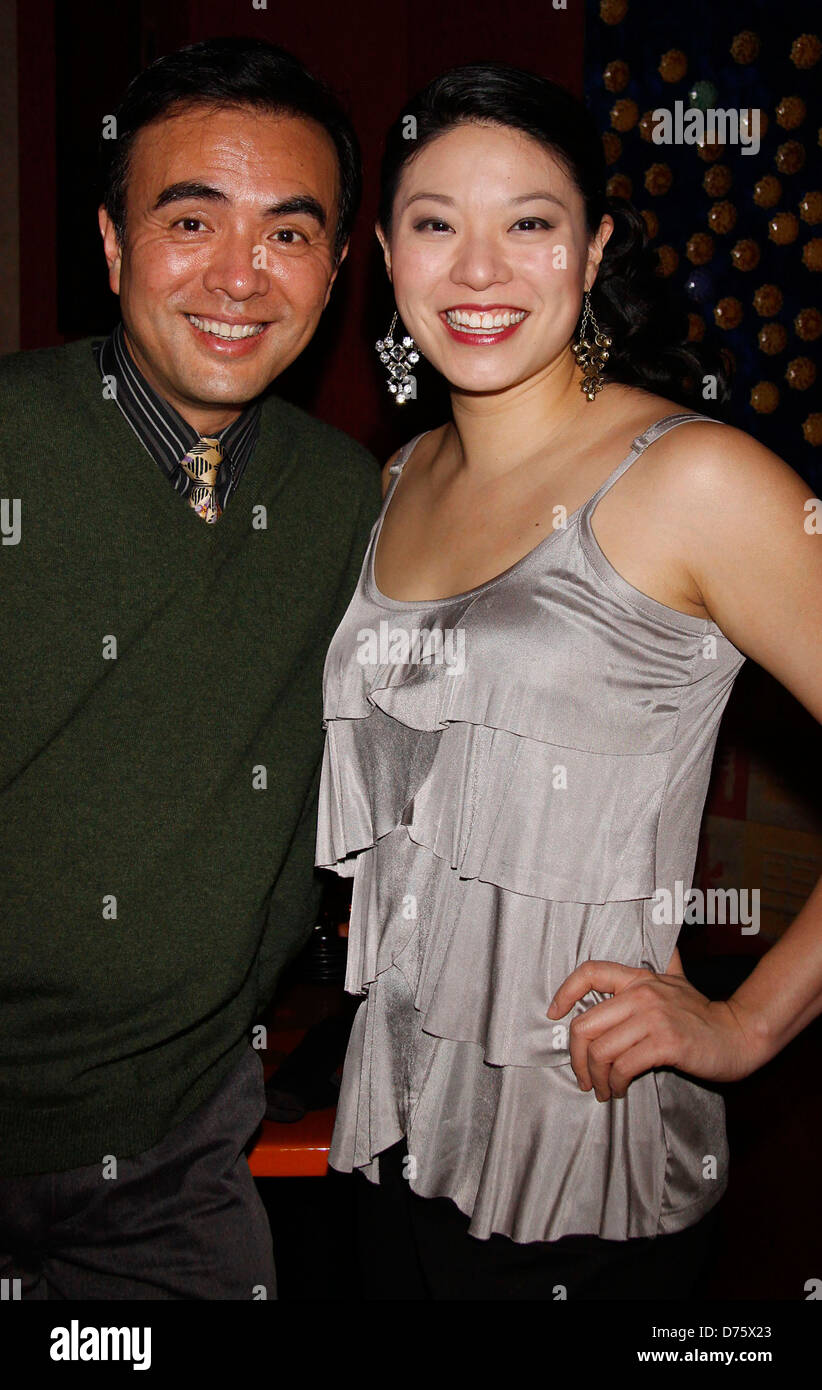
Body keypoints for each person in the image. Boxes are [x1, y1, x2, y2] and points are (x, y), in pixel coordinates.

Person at [315, 63, 822, 1300]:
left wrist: (748, 1021)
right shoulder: (399, 480)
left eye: (529, 224)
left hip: (581, 1147)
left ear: (593, 250)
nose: (478, 272)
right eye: (436, 225)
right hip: (395, 1129)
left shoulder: (697, 476)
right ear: (385, 253)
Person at [0, 37, 381, 1299]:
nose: (238, 275)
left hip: (169, 1154)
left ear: (335, 270)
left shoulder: (344, 504)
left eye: (287, 233)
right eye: (190, 220)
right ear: (114, 248)